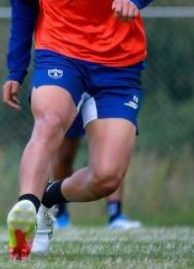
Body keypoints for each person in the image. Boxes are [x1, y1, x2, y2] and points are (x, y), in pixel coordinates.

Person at [1, 0, 179, 260]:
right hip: (59, 53)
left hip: (119, 62)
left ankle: (46, 200)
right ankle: (25, 211)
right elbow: (23, 9)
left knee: (106, 176)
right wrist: (16, 67)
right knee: (49, 119)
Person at [52, 94, 141, 230]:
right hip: (77, 88)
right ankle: (59, 212)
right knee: (65, 154)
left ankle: (115, 214)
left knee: (112, 152)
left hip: (102, 89)